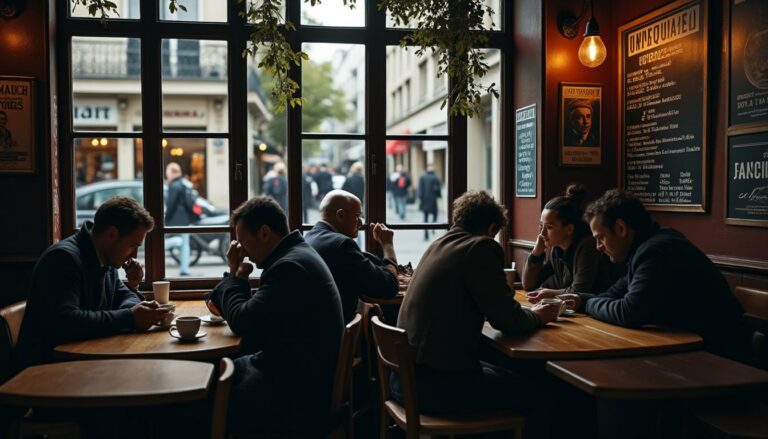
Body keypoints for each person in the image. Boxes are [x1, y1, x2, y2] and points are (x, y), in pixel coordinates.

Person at [396, 191, 560, 437]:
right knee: (542, 394)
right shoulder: (480, 247)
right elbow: (508, 320)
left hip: (406, 380)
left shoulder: (439, 244)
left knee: (506, 373)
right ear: (491, 227)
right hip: (437, 387)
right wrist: (540, 316)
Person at [528, 189, 751, 362]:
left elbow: (629, 312)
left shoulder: (656, 251)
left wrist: (586, 303)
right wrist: (583, 299)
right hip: (694, 345)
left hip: (719, 353)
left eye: (601, 238)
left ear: (621, 228)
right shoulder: (647, 247)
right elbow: (616, 292)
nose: (598, 247)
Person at [205, 196, 343, 436]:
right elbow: (251, 314)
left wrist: (236, 277)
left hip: (298, 387)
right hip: (303, 370)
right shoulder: (295, 254)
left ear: (265, 233)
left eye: (243, 242)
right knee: (216, 371)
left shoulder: (289, 267)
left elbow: (242, 321)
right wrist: (235, 279)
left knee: (209, 383)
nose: (242, 251)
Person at [17, 196, 167, 368]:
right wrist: (130, 317)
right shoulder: (63, 259)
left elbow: (124, 295)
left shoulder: (105, 256)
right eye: (134, 245)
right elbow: (67, 321)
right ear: (112, 234)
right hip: (45, 370)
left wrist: (137, 312)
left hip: (79, 361)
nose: (134, 255)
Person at [305, 190, 399, 323]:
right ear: (340, 215)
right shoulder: (342, 245)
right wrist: (388, 245)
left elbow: (361, 260)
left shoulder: (311, 237)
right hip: (338, 332)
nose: (361, 222)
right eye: (357, 215)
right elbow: (389, 287)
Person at [522, 184, 617, 296]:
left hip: (597, 309)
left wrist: (550, 293)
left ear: (569, 229)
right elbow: (529, 285)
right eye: (541, 226)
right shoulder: (556, 250)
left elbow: (579, 291)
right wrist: (536, 254)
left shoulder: (588, 246)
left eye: (549, 227)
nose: (542, 233)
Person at [164, 162, 195, 276]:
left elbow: (171, 204)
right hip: (185, 219)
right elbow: (189, 203)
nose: (167, 175)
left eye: (167, 172)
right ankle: (184, 269)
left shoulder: (174, 185)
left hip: (176, 218)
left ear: (172, 172)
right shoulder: (184, 183)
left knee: (176, 241)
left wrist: (166, 219)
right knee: (185, 244)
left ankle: (184, 267)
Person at [417, 164, 441, 240]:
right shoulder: (423, 177)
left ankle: (433, 227)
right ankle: (426, 233)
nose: (431, 168)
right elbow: (420, 187)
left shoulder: (435, 177)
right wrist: (420, 197)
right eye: (430, 167)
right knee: (425, 217)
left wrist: (437, 192)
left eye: (432, 167)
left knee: (435, 215)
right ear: (427, 168)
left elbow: (438, 187)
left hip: (432, 199)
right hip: (425, 199)